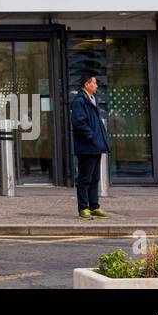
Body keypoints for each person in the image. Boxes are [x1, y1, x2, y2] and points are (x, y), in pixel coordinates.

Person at [70, 73, 110, 220]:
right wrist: (91, 136)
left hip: (95, 145)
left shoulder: (93, 99)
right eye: (94, 83)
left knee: (95, 178)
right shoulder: (80, 101)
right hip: (86, 145)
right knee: (84, 178)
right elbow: (79, 122)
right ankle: (83, 208)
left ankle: (94, 206)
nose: (97, 85)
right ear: (87, 85)